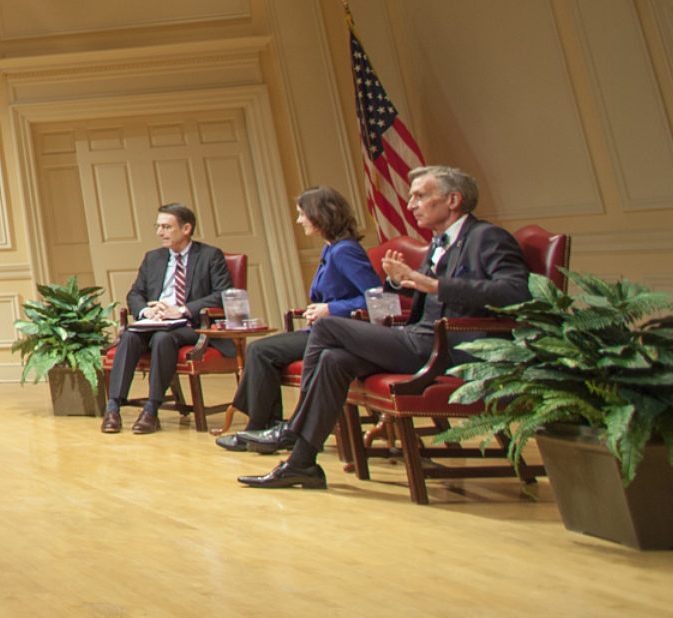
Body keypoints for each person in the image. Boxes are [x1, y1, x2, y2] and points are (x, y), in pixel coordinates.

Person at [242, 166, 529, 490]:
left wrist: (434, 284)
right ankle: (302, 464)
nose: (411, 204)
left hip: (454, 345)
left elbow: (517, 292)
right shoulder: (439, 242)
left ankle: (294, 427)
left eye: (420, 196)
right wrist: (399, 281)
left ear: (452, 200)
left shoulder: (486, 237)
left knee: (327, 328)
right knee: (335, 360)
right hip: (420, 337)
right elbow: (415, 292)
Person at [217, 187, 388, 453]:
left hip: (344, 335)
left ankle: (258, 428)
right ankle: (263, 427)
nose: (299, 220)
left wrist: (332, 309)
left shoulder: (345, 251)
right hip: (325, 331)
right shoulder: (331, 249)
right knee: (261, 350)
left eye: (301, 214)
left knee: (261, 350)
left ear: (320, 215)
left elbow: (377, 298)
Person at [103, 203, 233, 435]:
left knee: (164, 339)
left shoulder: (210, 256)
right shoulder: (153, 258)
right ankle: (113, 407)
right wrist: (145, 311)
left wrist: (182, 310)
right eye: (158, 226)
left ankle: (152, 410)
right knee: (130, 337)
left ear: (186, 229)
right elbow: (135, 294)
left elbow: (222, 295)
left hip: (192, 325)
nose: (159, 232)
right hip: (155, 321)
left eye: (166, 227)